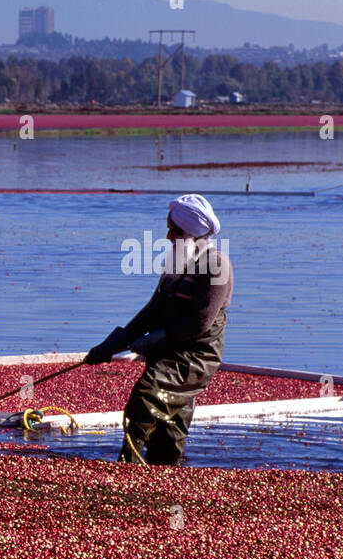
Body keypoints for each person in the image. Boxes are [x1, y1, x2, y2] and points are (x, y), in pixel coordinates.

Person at [86, 194, 233, 466]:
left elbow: (200, 321)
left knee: (146, 397)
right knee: (169, 424)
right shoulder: (176, 265)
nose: (167, 236)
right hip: (167, 352)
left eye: (174, 230)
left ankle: (127, 463)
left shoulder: (216, 266)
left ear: (191, 233)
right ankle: (165, 471)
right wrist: (115, 342)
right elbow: (153, 310)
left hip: (195, 357)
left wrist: (159, 337)